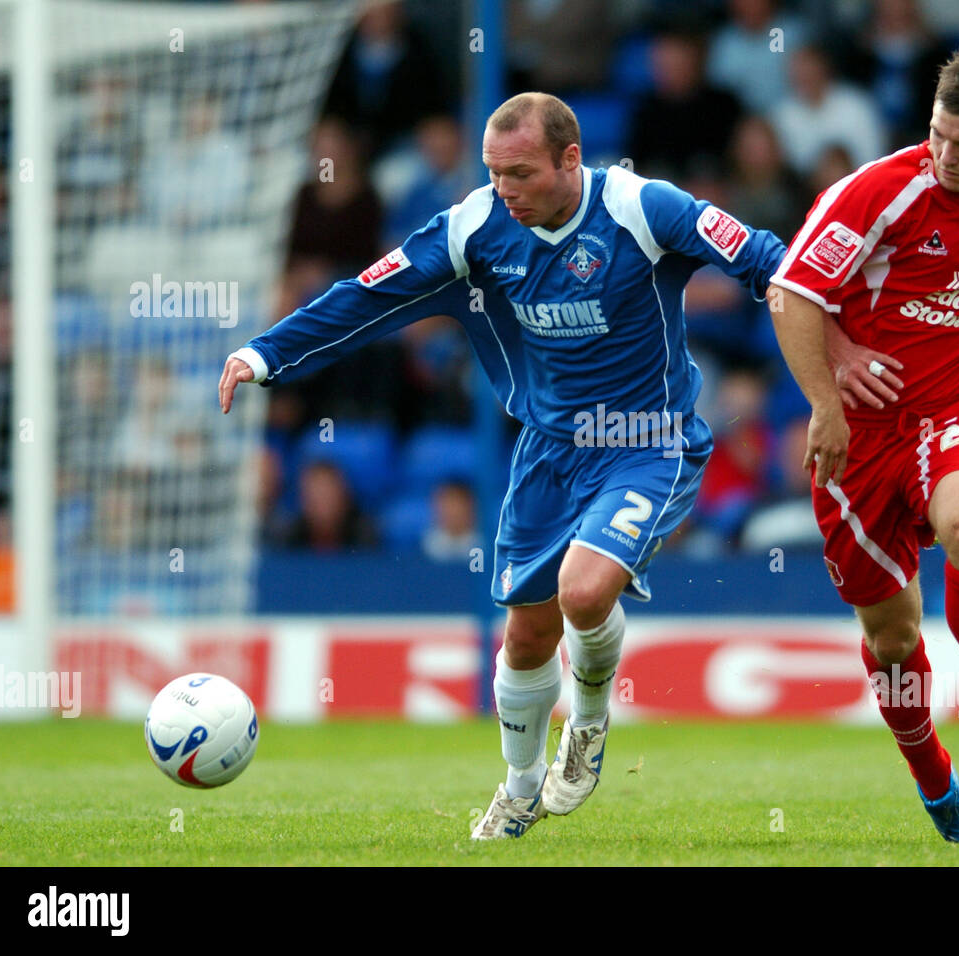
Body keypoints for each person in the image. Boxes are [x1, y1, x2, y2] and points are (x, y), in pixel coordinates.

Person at [219, 93, 787, 839]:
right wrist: (265, 352)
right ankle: (520, 785)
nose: (504, 190)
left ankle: (586, 726)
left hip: (649, 441)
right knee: (524, 635)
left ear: (570, 160)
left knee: (584, 594)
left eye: (520, 173)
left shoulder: (644, 208)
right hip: (548, 453)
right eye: (494, 173)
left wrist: (833, 345)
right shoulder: (475, 224)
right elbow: (365, 294)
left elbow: (768, 261)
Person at [768, 48, 959, 843]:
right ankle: (936, 785)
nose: (945, 156)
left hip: (954, 410)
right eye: (936, 136)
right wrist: (829, 389)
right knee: (891, 639)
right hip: (859, 436)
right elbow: (791, 293)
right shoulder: (878, 191)